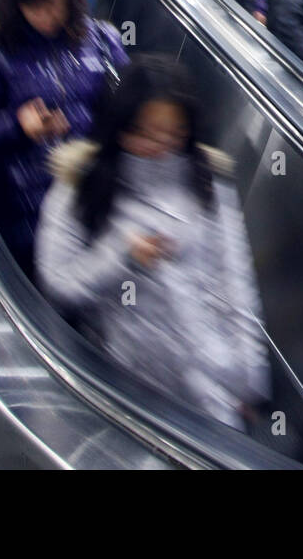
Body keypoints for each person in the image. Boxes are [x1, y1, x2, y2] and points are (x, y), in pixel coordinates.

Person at [35, 56, 271, 432]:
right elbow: (58, 283)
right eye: (145, 133)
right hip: (127, 389)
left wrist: (248, 380)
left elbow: (235, 281)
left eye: (173, 134)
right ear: (119, 126)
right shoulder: (79, 186)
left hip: (211, 386)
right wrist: (121, 255)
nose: (159, 146)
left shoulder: (207, 181)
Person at [0, 0, 127, 277]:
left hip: (93, 189)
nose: (48, 17)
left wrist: (81, 120)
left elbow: (128, 107)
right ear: (17, 3)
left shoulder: (100, 39)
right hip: (27, 202)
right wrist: (17, 124)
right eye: (34, 7)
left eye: (56, 4)